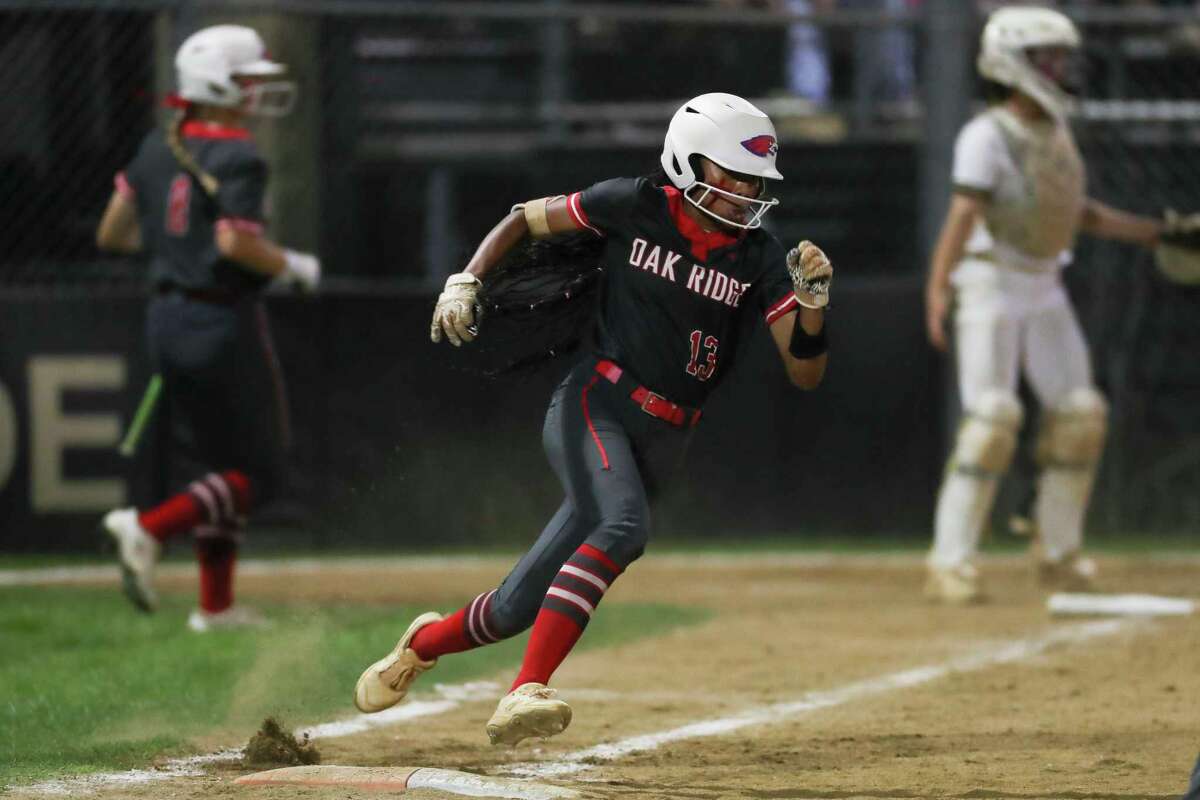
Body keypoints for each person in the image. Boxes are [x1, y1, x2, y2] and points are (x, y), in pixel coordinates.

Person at [353, 92, 833, 745]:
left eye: (755, 179)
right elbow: (525, 219)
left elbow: (805, 372)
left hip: (668, 438)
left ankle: (422, 644)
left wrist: (811, 308)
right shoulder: (636, 204)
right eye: (732, 173)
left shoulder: (759, 256)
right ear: (688, 163)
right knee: (623, 526)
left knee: (514, 606)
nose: (746, 189)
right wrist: (466, 279)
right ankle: (526, 689)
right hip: (598, 402)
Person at [923, 6, 1182, 604]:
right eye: (1047, 57)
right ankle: (950, 559)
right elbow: (963, 215)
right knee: (991, 419)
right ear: (1011, 64)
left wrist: (1154, 232)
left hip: (1043, 283)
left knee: (1080, 413)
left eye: (1062, 56)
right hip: (991, 282)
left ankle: (1058, 550)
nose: (1061, 67)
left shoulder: (1054, 132)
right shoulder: (986, 135)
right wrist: (938, 288)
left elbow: (1078, 214)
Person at [95, 25, 320, 631]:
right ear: (217, 82)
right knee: (262, 475)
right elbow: (234, 242)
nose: (253, 93)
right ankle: (149, 528)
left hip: (165, 318)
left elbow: (113, 233)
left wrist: (175, 247)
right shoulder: (240, 155)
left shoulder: (153, 147)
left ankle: (215, 606)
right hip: (220, 318)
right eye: (246, 81)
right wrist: (294, 267)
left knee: (222, 466)